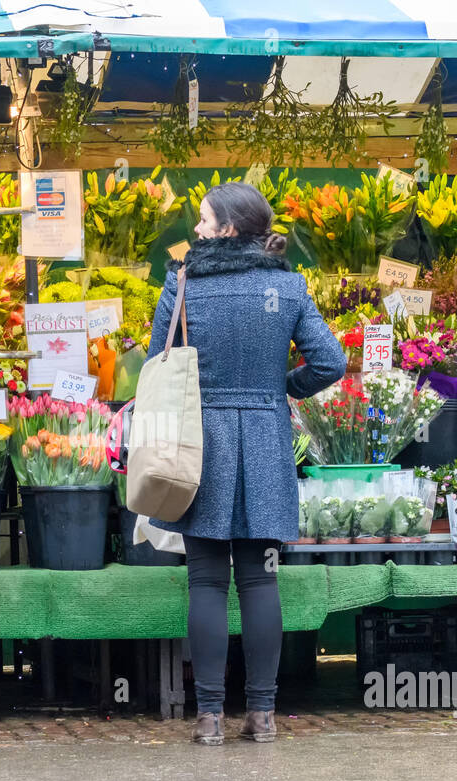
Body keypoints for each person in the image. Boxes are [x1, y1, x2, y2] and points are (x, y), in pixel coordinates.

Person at [146, 182, 345, 745]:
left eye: (205, 223)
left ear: (230, 229)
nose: (198, 232)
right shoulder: (286, 286)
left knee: (205, 580)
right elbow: (330, 362)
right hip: (263, 438)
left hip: (198, 443)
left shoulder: (181, 284)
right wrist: (279, 388)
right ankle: (262, 715)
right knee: (260, 581)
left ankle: (208, 716)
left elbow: (160, 361)